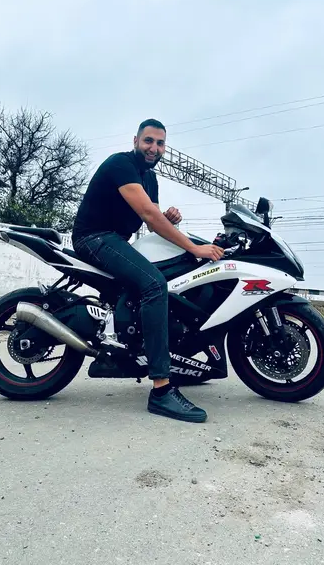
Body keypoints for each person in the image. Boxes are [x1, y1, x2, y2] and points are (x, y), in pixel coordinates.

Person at [72, 119, 224, 423]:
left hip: (115, 240)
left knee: (163, 274)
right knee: (155, 285)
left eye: (160, 143)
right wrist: (195, 248)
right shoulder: (121, 164)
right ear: (136, 141)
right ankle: (161, 390)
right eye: (148, 141)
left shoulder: (150, 178)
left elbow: (152, 219)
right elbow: (148, 214)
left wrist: (168, 217)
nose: (154, 148)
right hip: (95, 238)